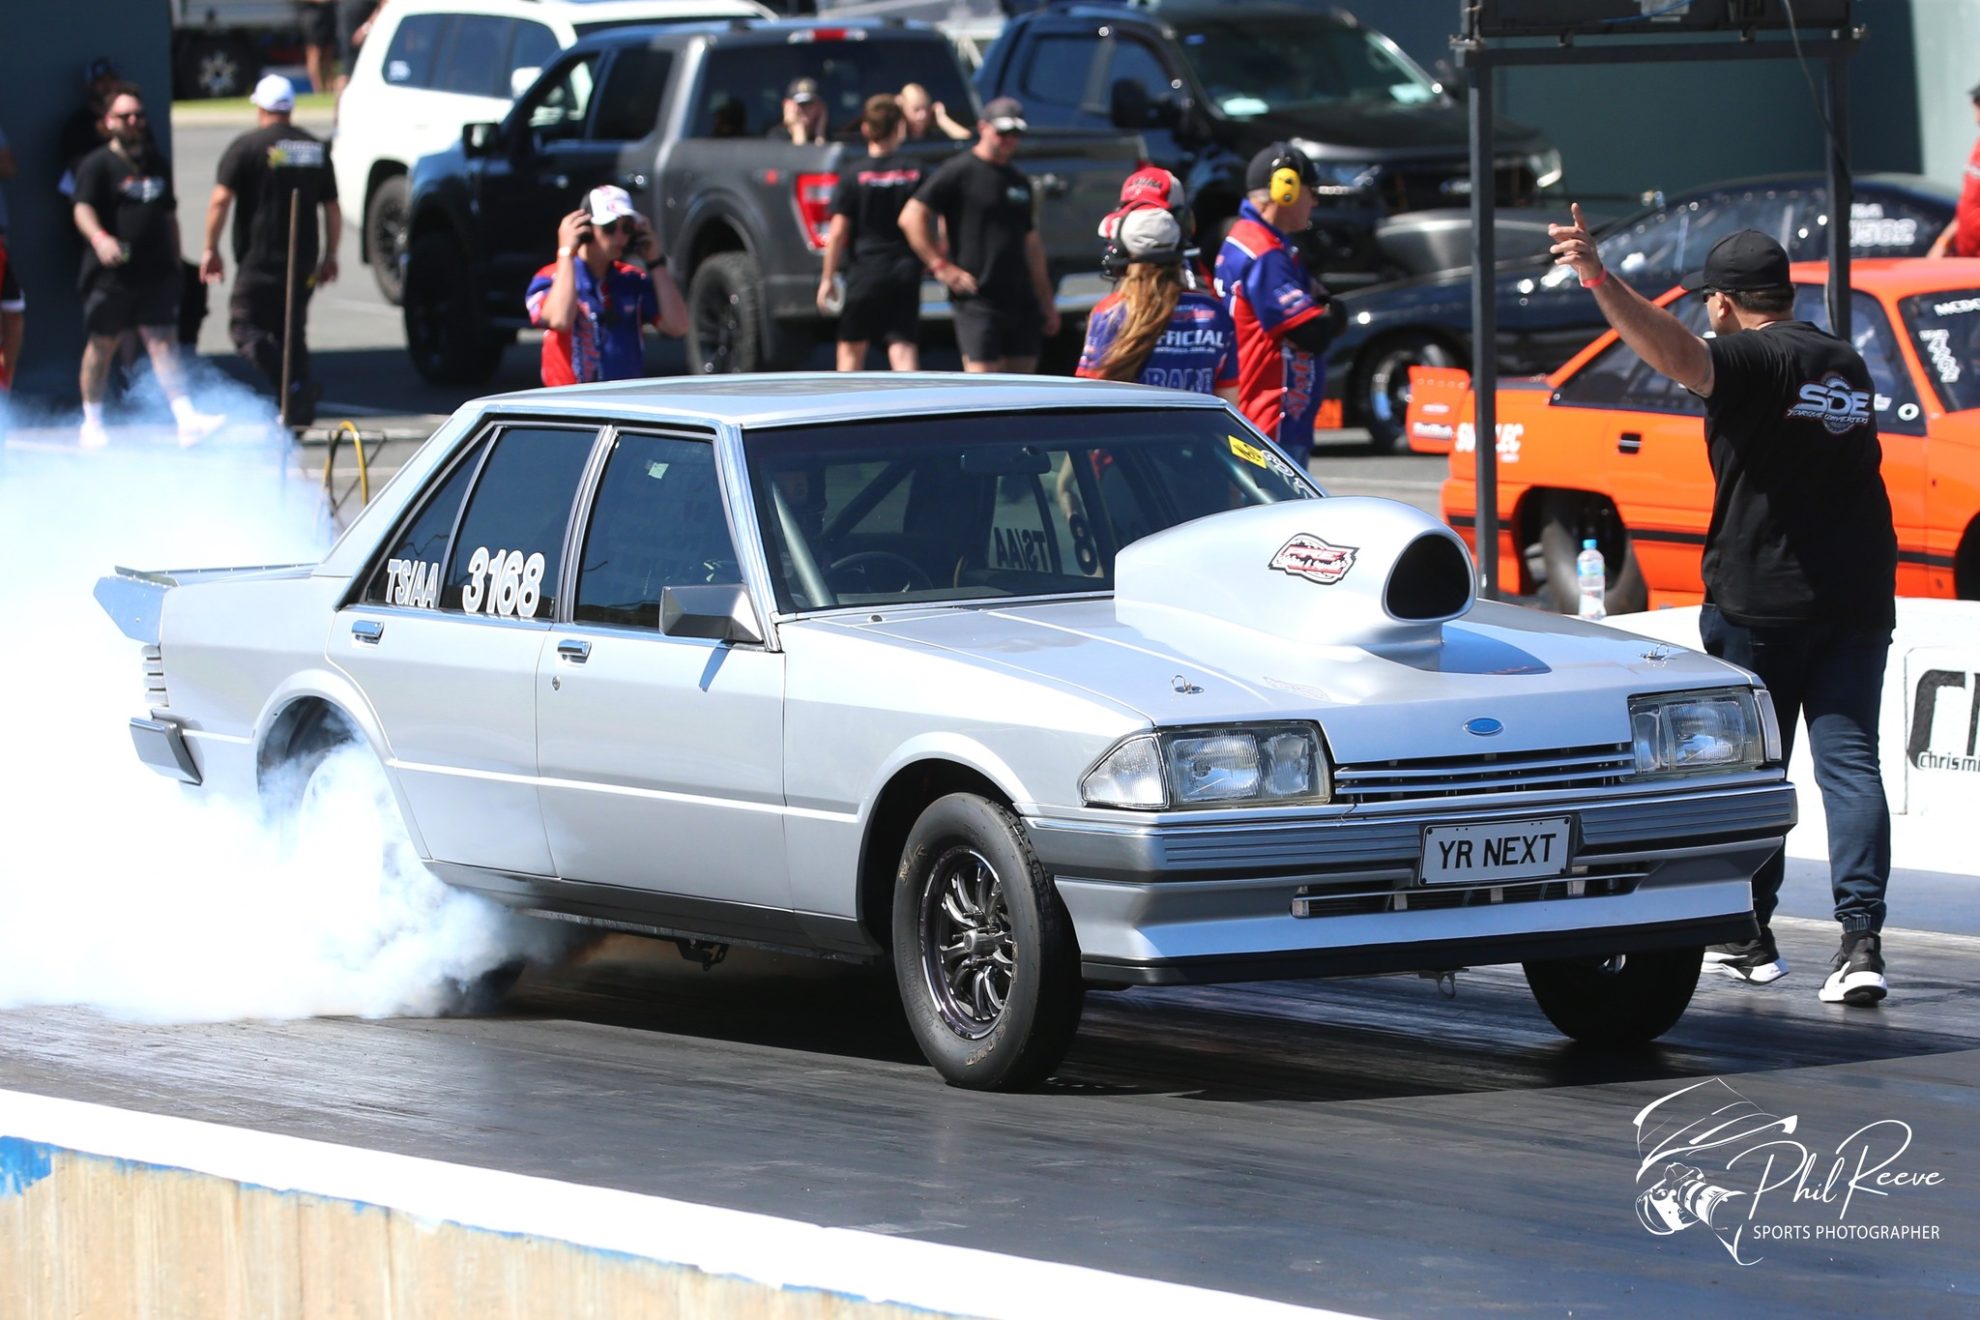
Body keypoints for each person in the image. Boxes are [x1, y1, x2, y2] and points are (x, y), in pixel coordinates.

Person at [1548, 211, 1898, 1007]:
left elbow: (1675, 356)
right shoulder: (1840, 358)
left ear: (1723, 304)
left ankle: (1748, 931)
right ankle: (1861, 940)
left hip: (1762, 605)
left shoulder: (1751, 359)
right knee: (1850, 766)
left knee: (1751, 772)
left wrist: (1599, 278)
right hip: (1857, 599)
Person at [72, 83, 222, 448]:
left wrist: (176, 257)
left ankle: (186, 419)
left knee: (162, 342)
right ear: (108, 122)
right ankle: (92, 422)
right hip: (111, 276)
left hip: (154, 272)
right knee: (102, 344)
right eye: (124, 116)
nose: (133, 121)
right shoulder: (96, 165)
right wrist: (100, 239)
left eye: (138, 114)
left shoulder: (156, 162)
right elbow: (82, 208)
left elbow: (168, 213)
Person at [198, 75, 341, 424]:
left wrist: (209, 248)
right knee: (291, 329)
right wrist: (330, 256)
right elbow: (332, 208)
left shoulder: (247, 147)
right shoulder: (314, 148)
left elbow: (220, 200)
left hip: (259, 257)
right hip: (303, 258)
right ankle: (296, 396)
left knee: (244, 326)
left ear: (260, 107)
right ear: (290, 107)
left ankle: (292, 387)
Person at [901, 97, 1059, 373]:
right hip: (978, 297)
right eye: (1003, 132)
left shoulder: (1018, 180)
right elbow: (911, 216)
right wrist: (941, 266)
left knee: (1025, 389)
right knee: (985, 386)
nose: (1009, 140)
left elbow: (1032, 243)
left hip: (1020, 298)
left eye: (1016, 134)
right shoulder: (959, 171)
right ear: (983, 127)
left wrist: (1047, 302)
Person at [1214, 143, 1335, 473]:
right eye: (1311, 191)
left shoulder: (1256, 240)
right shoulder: (1263, 252)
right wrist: (1332, 312)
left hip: (1264, 416)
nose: (1315, 201)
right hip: (1271, 420)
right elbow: (1311, 332)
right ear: (1287, 189)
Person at [525, 185, 687, 387]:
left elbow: (678, 326)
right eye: (609, 227)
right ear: (585, 229)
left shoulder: (633, 279)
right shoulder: (549, 277)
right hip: (568, 407)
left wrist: (655, 262)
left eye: (627, 228)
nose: (620, 237)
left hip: (623, 402)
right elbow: (559, 320)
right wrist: (566, 252)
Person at [1077, 208, 1237, 402]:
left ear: (1123, 252)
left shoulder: (1109, 312)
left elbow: (1088, 396)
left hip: (1132, 430)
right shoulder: (1214, 314)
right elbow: (1229, 400)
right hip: (1195, 430)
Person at [818, 94, 923, 372]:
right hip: (905, 270)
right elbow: (934, 217)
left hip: (865, 272)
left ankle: (845, 412)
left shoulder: (853, 175)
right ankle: (913, 411)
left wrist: (827, 277)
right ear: (899, 127)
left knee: (851, 349)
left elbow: (838, 232)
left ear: (866, 129)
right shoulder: (915, 172)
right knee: (902, 347)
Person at [1927, 79, 1980, 258]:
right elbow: (1968, 204)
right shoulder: (1977, 146)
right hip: (1966, 256)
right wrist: (1943, 242)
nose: (1974, 105)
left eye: (1978, 102)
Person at [59, 58, 122, 198]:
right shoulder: (76, 125)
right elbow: (79, 170)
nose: (108, 85)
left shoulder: (133, 120)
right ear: (88, 86)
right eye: (101, 81)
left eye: (112, 79)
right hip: (93, 200)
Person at [897, 83, 969, 142]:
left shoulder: (938, 136)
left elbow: (967, 142)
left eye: (926, 108)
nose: (923, 115)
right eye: (916, 109)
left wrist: (942, 120)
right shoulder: (893, 138)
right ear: (903, 110)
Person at [771, 78, 829, 144]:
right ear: (787, 106)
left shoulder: (830, 137)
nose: (804, 109)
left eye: (809, 104)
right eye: (800, 104)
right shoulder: (776, 137)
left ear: (819, 107)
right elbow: (799, 154)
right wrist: (798, 128)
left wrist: (820, 134)